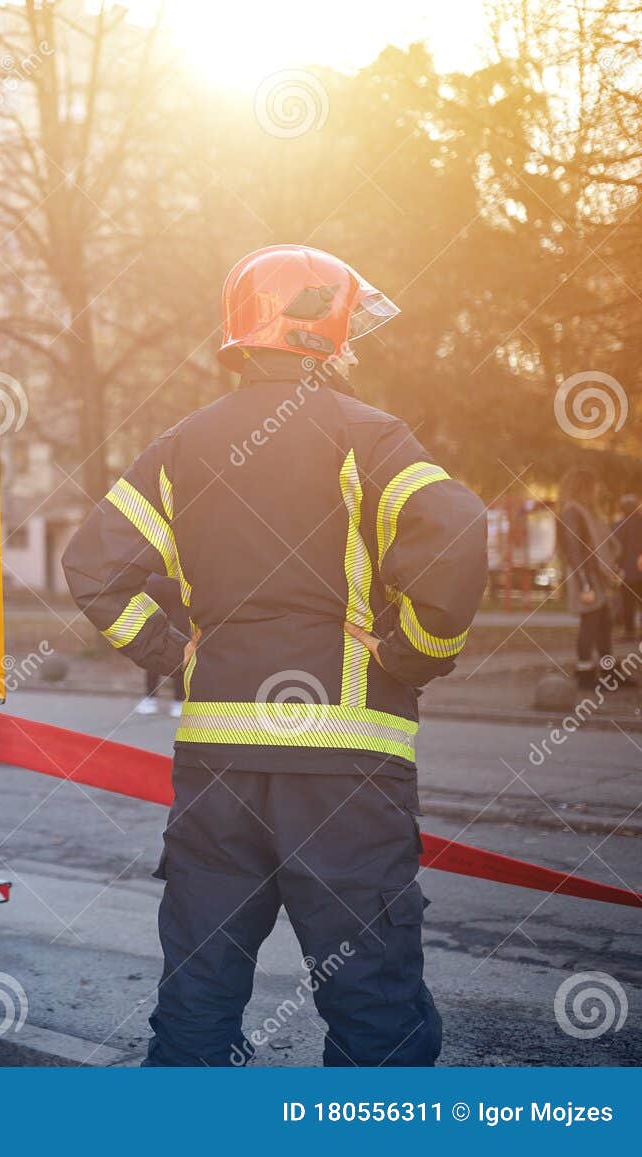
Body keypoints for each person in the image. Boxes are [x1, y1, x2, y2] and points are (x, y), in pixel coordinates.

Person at [62, 244, 487, 1067]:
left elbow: (93, 569)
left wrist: (173, 651)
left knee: (198, 993)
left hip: (217, 767)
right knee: (372, 1006)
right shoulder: (370, 435)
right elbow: (459, 531)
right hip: (345, 770)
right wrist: (414, 655)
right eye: (349, 328)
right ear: (319, 331)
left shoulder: (180, 446)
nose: (355, 347)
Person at [557, 468, 617, 685]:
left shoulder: (584, 511)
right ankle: (585, 674)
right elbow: (574, 551)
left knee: (603, 625)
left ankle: (608, 672)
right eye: (593, 486)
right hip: (584, 576)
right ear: (584, 487)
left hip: (593, 575)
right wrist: (585, 585)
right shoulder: (572, 512)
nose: (597, 490)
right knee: (590, 624)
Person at [135, 574, 186, 716]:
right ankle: (177, 701)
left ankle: (151, 699)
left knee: (155, 643)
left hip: (159, 581)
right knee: (178, 644)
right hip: (174, 584)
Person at [614, 494, 642, 642]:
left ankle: (629, 631)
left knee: (628, 603)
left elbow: (616, 548)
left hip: (627, 571)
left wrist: (616, 566)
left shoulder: (620, 525)